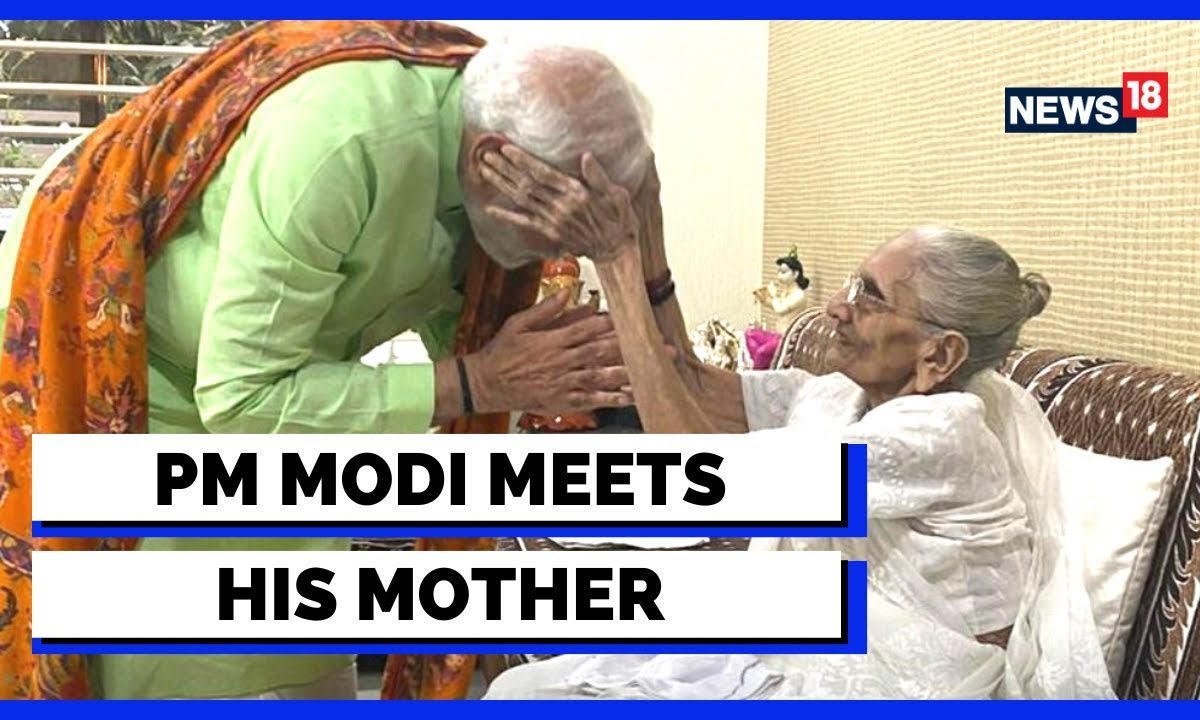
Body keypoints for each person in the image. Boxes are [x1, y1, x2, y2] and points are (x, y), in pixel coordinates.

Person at [0, 21, 656, 700]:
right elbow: (241, 400)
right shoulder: (342, 143)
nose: (569, 246)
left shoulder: (478, 155)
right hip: (138, 367)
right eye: (567, 217)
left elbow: (472, 346)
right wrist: (476, 382)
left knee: (308, 655)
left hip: (280, 381)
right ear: (496, 161)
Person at [471, 146, 1115, 698]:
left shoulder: (942, 434)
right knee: (523, 689)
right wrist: (649, 224)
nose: (837, 306)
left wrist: (614, 260)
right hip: (830, 639)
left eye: (870, 296)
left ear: (938, 356)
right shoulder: (840, 397)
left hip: (910, 677)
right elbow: (692, 383)